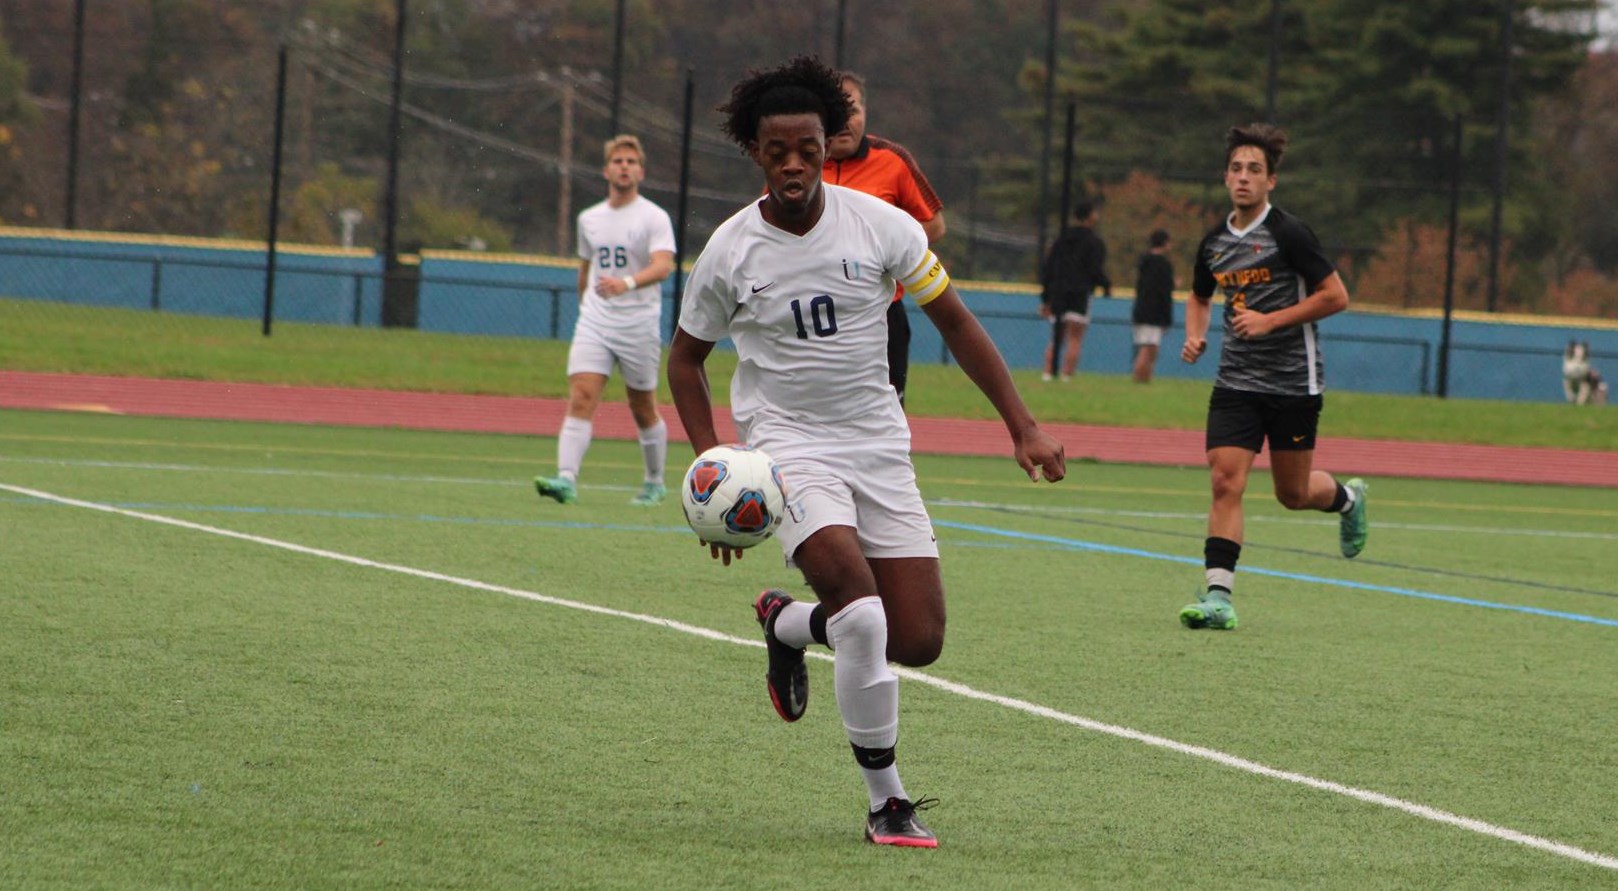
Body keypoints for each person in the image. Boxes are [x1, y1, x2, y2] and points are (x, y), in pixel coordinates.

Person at [667, 57, 1066, 848]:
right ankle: (888, 801)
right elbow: (685, 361)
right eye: (777, 151)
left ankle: (787, 624)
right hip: (788, 448)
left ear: (828, 147)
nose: (793, 163)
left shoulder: (883, 226)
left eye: (807, 148)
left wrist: (1021, 423)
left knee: (916, 639)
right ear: (755, 152)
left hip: (878, 442)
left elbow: (956, 323)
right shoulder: (730, 250)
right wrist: (715, 467)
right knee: (861, 609)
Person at [1178, 123, 1369, 632]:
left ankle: (1349, 499)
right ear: (1225, 177)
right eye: (1236, 168)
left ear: (1271, 181)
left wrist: (1270, 321)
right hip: (1235, 383)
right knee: (1225, 481)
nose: (1244, 177)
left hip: (1293, 385)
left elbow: (1336, 296)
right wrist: (1195, 335)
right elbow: (1199, 295)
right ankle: (1219, 598)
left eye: (1255, 170)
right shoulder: (1214, 243)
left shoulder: (1289, 235)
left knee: (1293, 493)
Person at [534, 134, 677, 506]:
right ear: (606, 170)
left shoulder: (654, 217)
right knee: (581, 395)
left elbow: (663, 265)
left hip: (639, 323)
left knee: (642, 406)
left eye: (631, 162)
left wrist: (625, 284)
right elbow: (586, 270)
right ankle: (566, 479)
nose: (624, 167)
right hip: (596, 322)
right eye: (618, 161)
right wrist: (586, 310)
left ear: (641, 172)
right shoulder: (589, 218)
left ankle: (654, 482)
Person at [824, 70, 947, 408]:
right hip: (815, 311)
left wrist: (882, 255)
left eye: (853, 109)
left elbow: (934, 224)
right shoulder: (799, 164)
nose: (845, 121)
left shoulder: (892, 160)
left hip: (881, 312)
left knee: (887, 412)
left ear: (865, 112)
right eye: (835, 110)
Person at [1039, 201, 1110, 381]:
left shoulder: (1062, 238)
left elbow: (1048, 268)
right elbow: (1095, 269)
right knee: (1075, 337)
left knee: (1057, 336)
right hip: (1080, 292)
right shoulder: (1094, 241)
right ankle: (1067, 375)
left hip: (1058, 291)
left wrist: (1046, 297)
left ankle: (1048, 373)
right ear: (1090, 216)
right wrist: (1106, 285)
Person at [1131, 229, 1175, 383]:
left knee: (1151, 347)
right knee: (1148, 347)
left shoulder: (1144, 262)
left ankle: (1145, 378)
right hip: (1154, 312)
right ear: (1164, 243)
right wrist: (1166, 318)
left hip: (1141, 309)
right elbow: (1163, 292)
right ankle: (1139, 380)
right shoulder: (1163, 265)